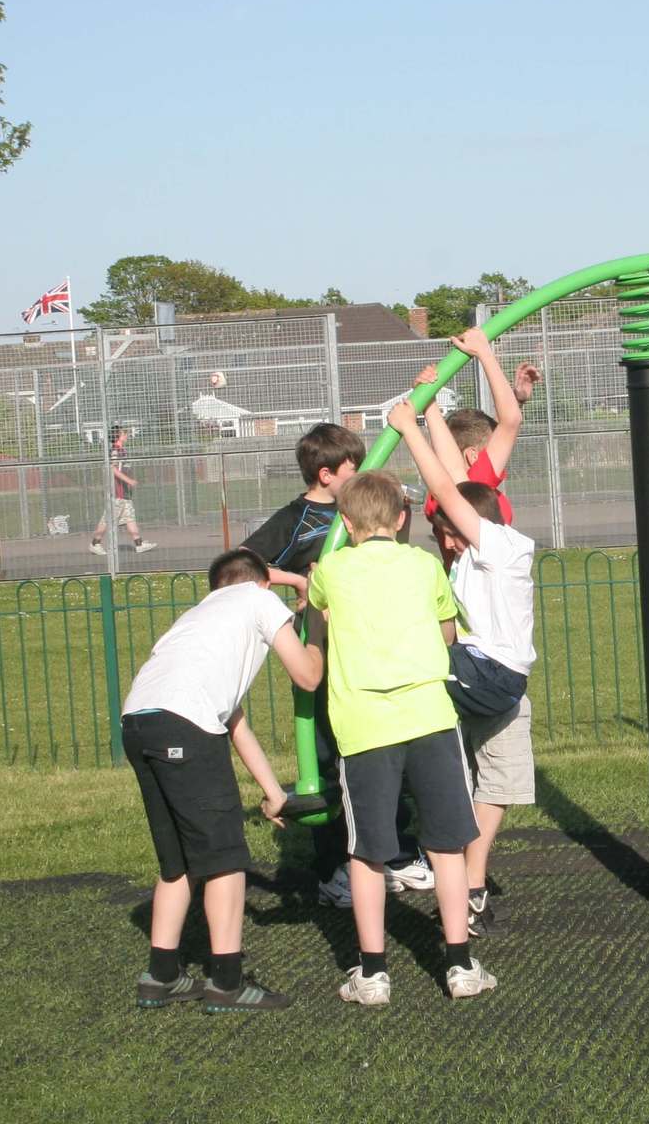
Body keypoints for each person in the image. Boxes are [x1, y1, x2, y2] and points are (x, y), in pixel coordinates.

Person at [307, 470, 495, 1005]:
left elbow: (317, 615)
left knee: (366, 853)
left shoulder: (332, 570)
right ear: (402, 517)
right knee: (447, 846)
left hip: (365, 725)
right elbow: (447, 632)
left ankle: (372, 974)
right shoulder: (425, 565)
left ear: (346, 523)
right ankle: (459, 964)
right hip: (429, 718)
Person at [238, 424, 432, 908]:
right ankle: (334, 868)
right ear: (326, 475)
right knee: (329, 760)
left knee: (385, 749)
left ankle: (396, 853)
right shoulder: (298, 518)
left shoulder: (364, 510)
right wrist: (298, 582)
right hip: (324, 655)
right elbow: (242, 563)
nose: (363, 472)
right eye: (353, 467)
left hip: (370, 648)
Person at [119, 549, 320, 1012]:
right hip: (184, 725)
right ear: (262, 583)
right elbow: (308, 676)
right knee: (226, 859)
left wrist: (274, 794)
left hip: (138, 724)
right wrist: (316, 623)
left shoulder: (200, 617)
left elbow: (233, 721)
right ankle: (227, 982)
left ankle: (161, 976)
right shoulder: (258, 598)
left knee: (178, 862)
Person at [388, 398, 536, 938]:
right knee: (493, 780)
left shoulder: (501, 546)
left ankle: (383, 781)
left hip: (490, 676)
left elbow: (450, 492)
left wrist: (408, 429)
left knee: (406, 667)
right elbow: (455, 482)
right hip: (494, 681)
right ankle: (471, 887)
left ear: (474, 524)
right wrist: (429, 411)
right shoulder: (470, 561)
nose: (445, 542)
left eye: (450, 531)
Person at [417, 328, 540, 529]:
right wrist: (483, 352)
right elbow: (510, 422)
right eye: (493, 445)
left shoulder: (439, 495)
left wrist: (428, 402)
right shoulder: (476, 486)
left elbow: (506, 426)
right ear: (473, 456)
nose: (503, 449)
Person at [91, 425, 157, 556]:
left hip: (125, 493)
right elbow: (113, 469)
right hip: (116, 492)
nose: (126, 435)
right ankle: (95, 543)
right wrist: (129, 480)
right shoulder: (115, 451)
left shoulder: (122, 450)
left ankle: (139, 544)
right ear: (117, 436)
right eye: (123, 433)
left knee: (130, 518)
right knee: (107, 520)